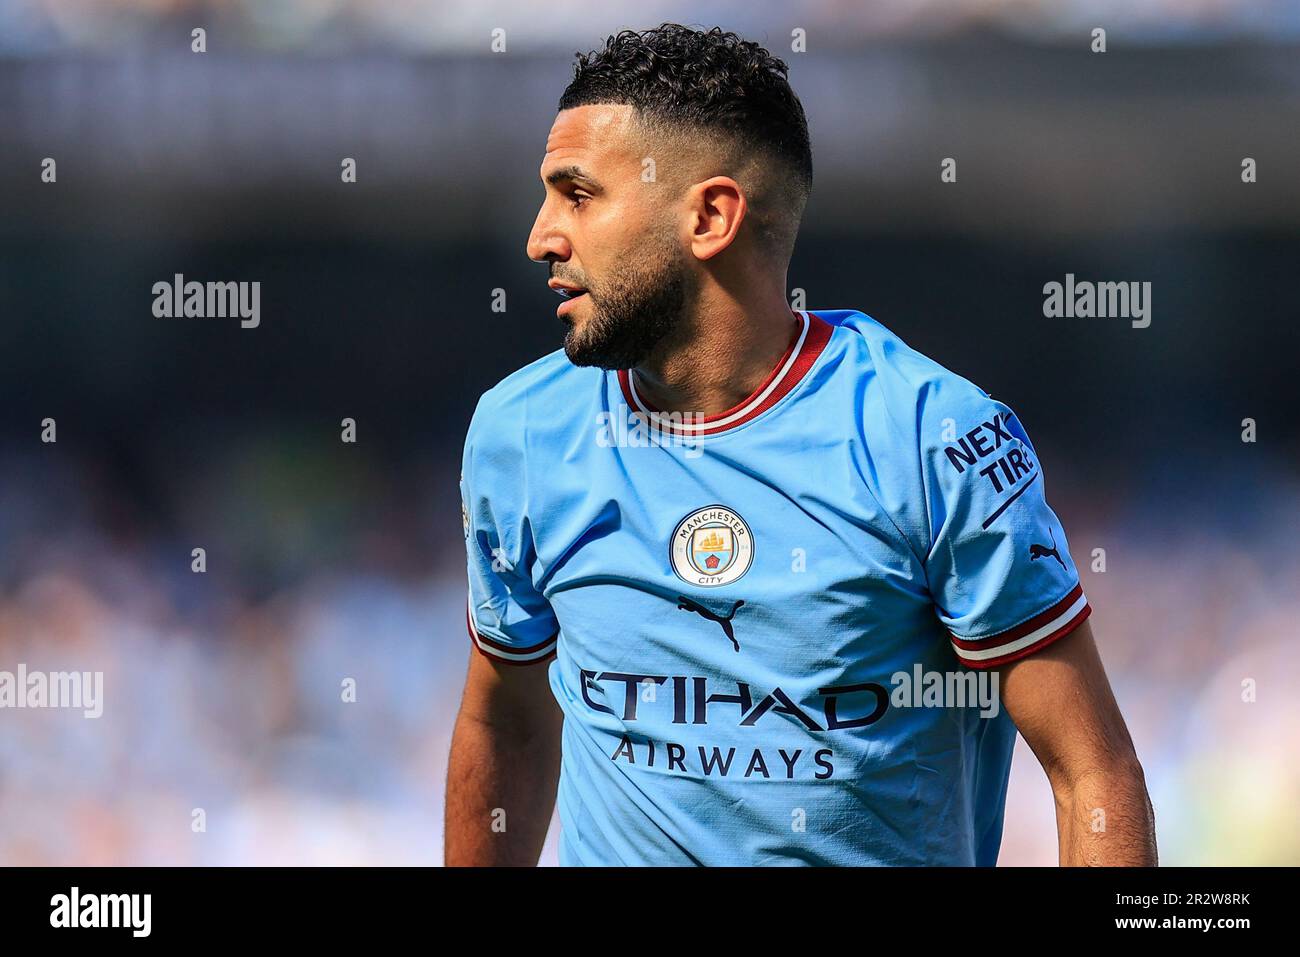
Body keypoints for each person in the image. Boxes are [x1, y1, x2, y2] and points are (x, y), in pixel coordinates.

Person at [445, 23, 1156, 866]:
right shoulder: (520, 432)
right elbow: (508, 722)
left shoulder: (930, 437)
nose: (541, 236)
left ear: (710, 215)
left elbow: (1091, 772)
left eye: (578, 195)